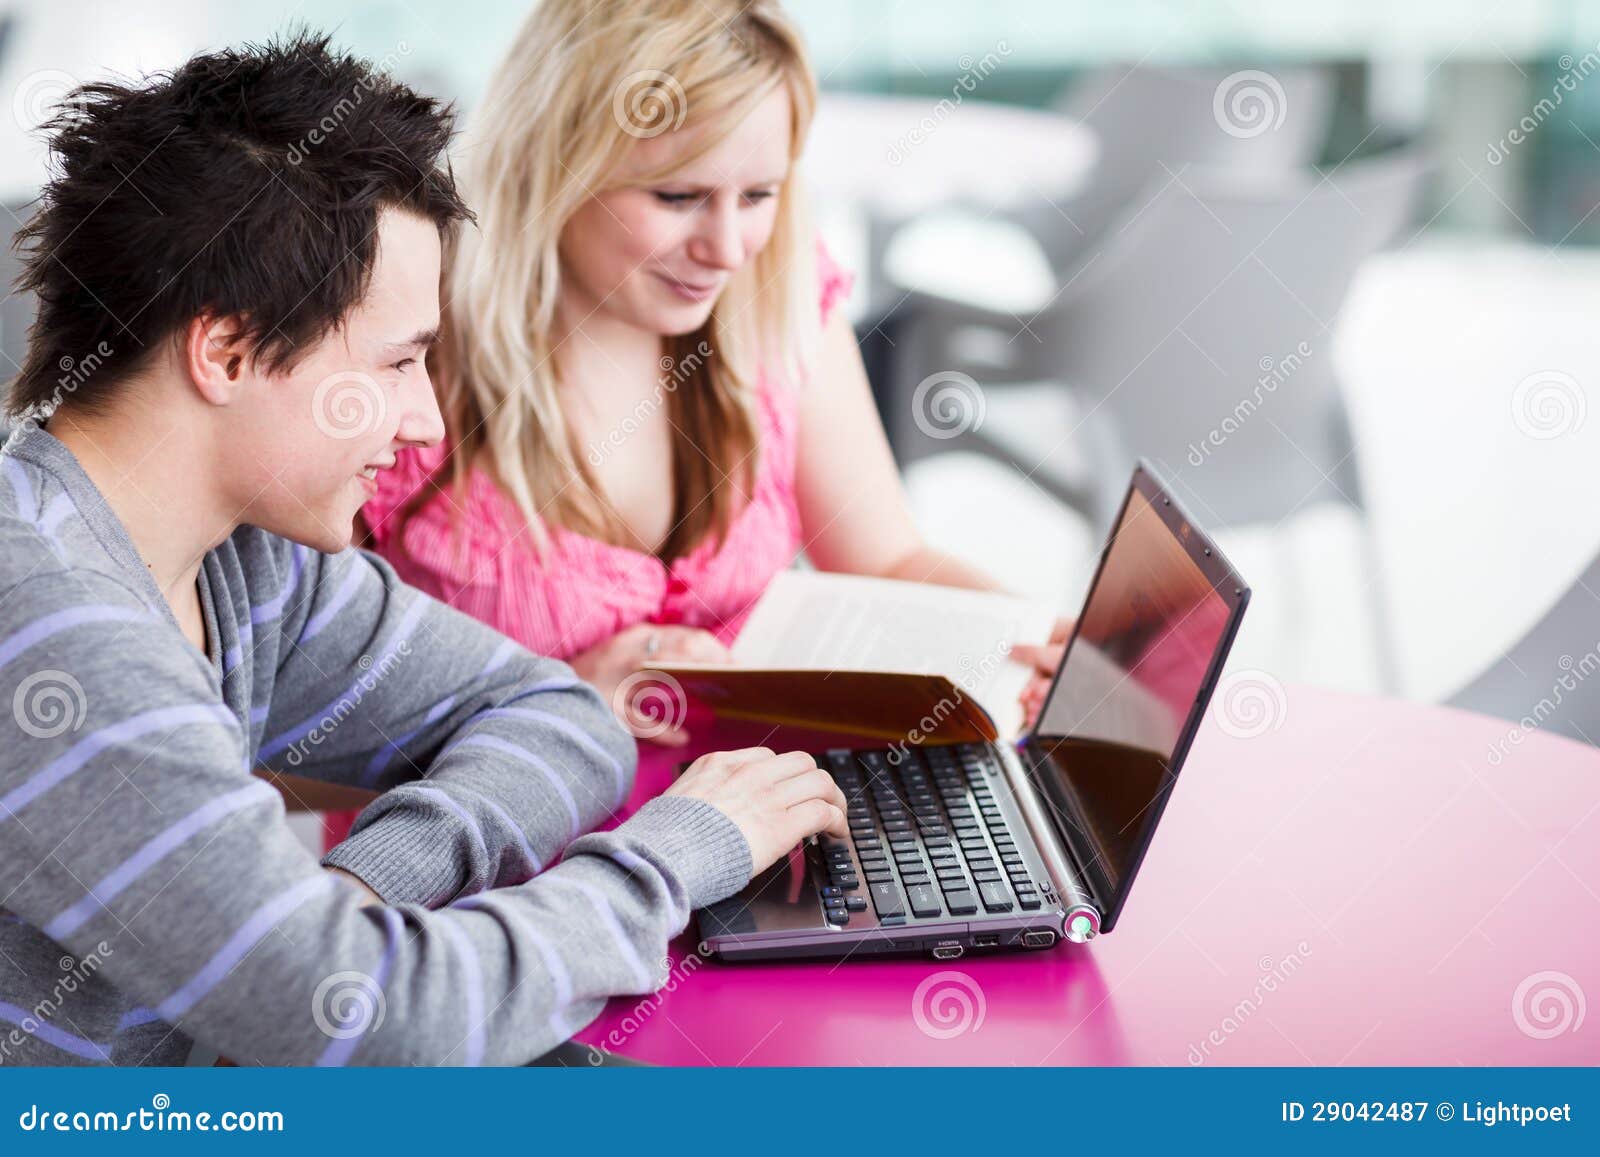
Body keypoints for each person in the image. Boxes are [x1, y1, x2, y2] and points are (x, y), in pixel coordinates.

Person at [0, 32, 846, 1067]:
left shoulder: (245, 557)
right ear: (224, 351)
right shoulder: (51, 625)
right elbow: (374, 1015)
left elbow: (557, 713)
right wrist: (675, 853)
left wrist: (369, 886)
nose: (423, 423)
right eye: (399, 362)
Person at [354, 0, 1054, 762]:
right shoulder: (408, 356)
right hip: (510, 869)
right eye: (677, 197)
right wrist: (562, 698)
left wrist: (1032, 638)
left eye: (758, 196)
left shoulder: (779, 298)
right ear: (550, 163)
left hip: (754, 841)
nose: (726, 248)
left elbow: (889, 561)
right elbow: (288, 742)